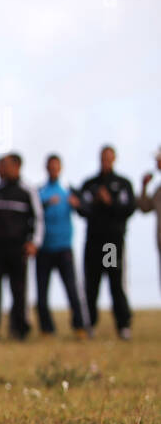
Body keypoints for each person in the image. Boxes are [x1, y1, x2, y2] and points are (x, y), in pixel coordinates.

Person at [75, 144, 135, 339]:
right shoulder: (90, 183)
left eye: (109, 158)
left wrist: (109, 201)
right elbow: (82, 210)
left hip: (111, 244)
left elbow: (128, 209)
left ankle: (123, 324)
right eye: (103, 158)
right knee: (91, 285)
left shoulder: (121, 183)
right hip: (93, 242)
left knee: (115, 282)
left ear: (114, 159)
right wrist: (87, 203)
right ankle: (89, 324)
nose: (105, 161)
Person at [0, 153, 42, 340]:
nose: (1, 169)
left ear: (16, 167)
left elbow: (38, 218)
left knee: (19, 289)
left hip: (18, 247)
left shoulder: (27, 191)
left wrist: (34, 242)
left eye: (5, 166)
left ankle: (20, 328)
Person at [35, 154, 88, 336]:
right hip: (44, 248)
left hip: (64, 247)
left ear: (61, 168)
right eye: (50, 166)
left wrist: (78, 204)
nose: (53, 170)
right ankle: (46, 329)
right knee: (42, 293)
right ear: (46, 168)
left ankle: (79, 326)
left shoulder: (68, 190)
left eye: (56, 166)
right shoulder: (40, 191)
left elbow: (85, 211)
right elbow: (34, 212)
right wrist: (46, 204)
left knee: (72, 290)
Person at [135, 149, 161, 294]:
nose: (156, 162)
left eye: (158, 159)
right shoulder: (158, 191)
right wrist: (144, 186)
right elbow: (144, 207)